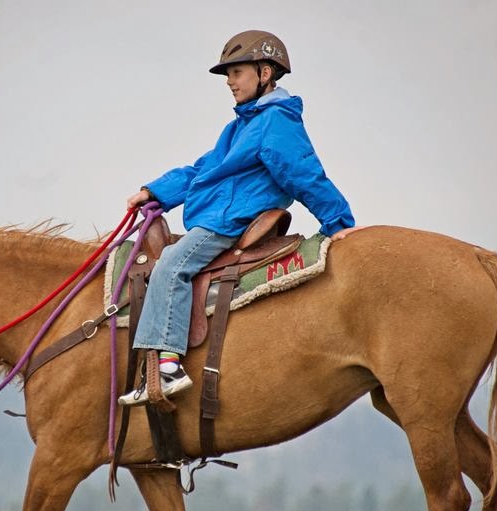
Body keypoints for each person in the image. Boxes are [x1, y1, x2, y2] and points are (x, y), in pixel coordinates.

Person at [119, 30, 355, 407]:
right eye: (227, 74)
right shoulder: (241, 126)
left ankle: (168, 366)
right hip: (219, 214)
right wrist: (156, 192)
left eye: (237, 72)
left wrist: (338, 223)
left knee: (171, 265)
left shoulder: (275, 121)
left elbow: (303, 173)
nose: (229, 82)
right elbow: (203, 169)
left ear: (265, 73)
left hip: (227, 222)